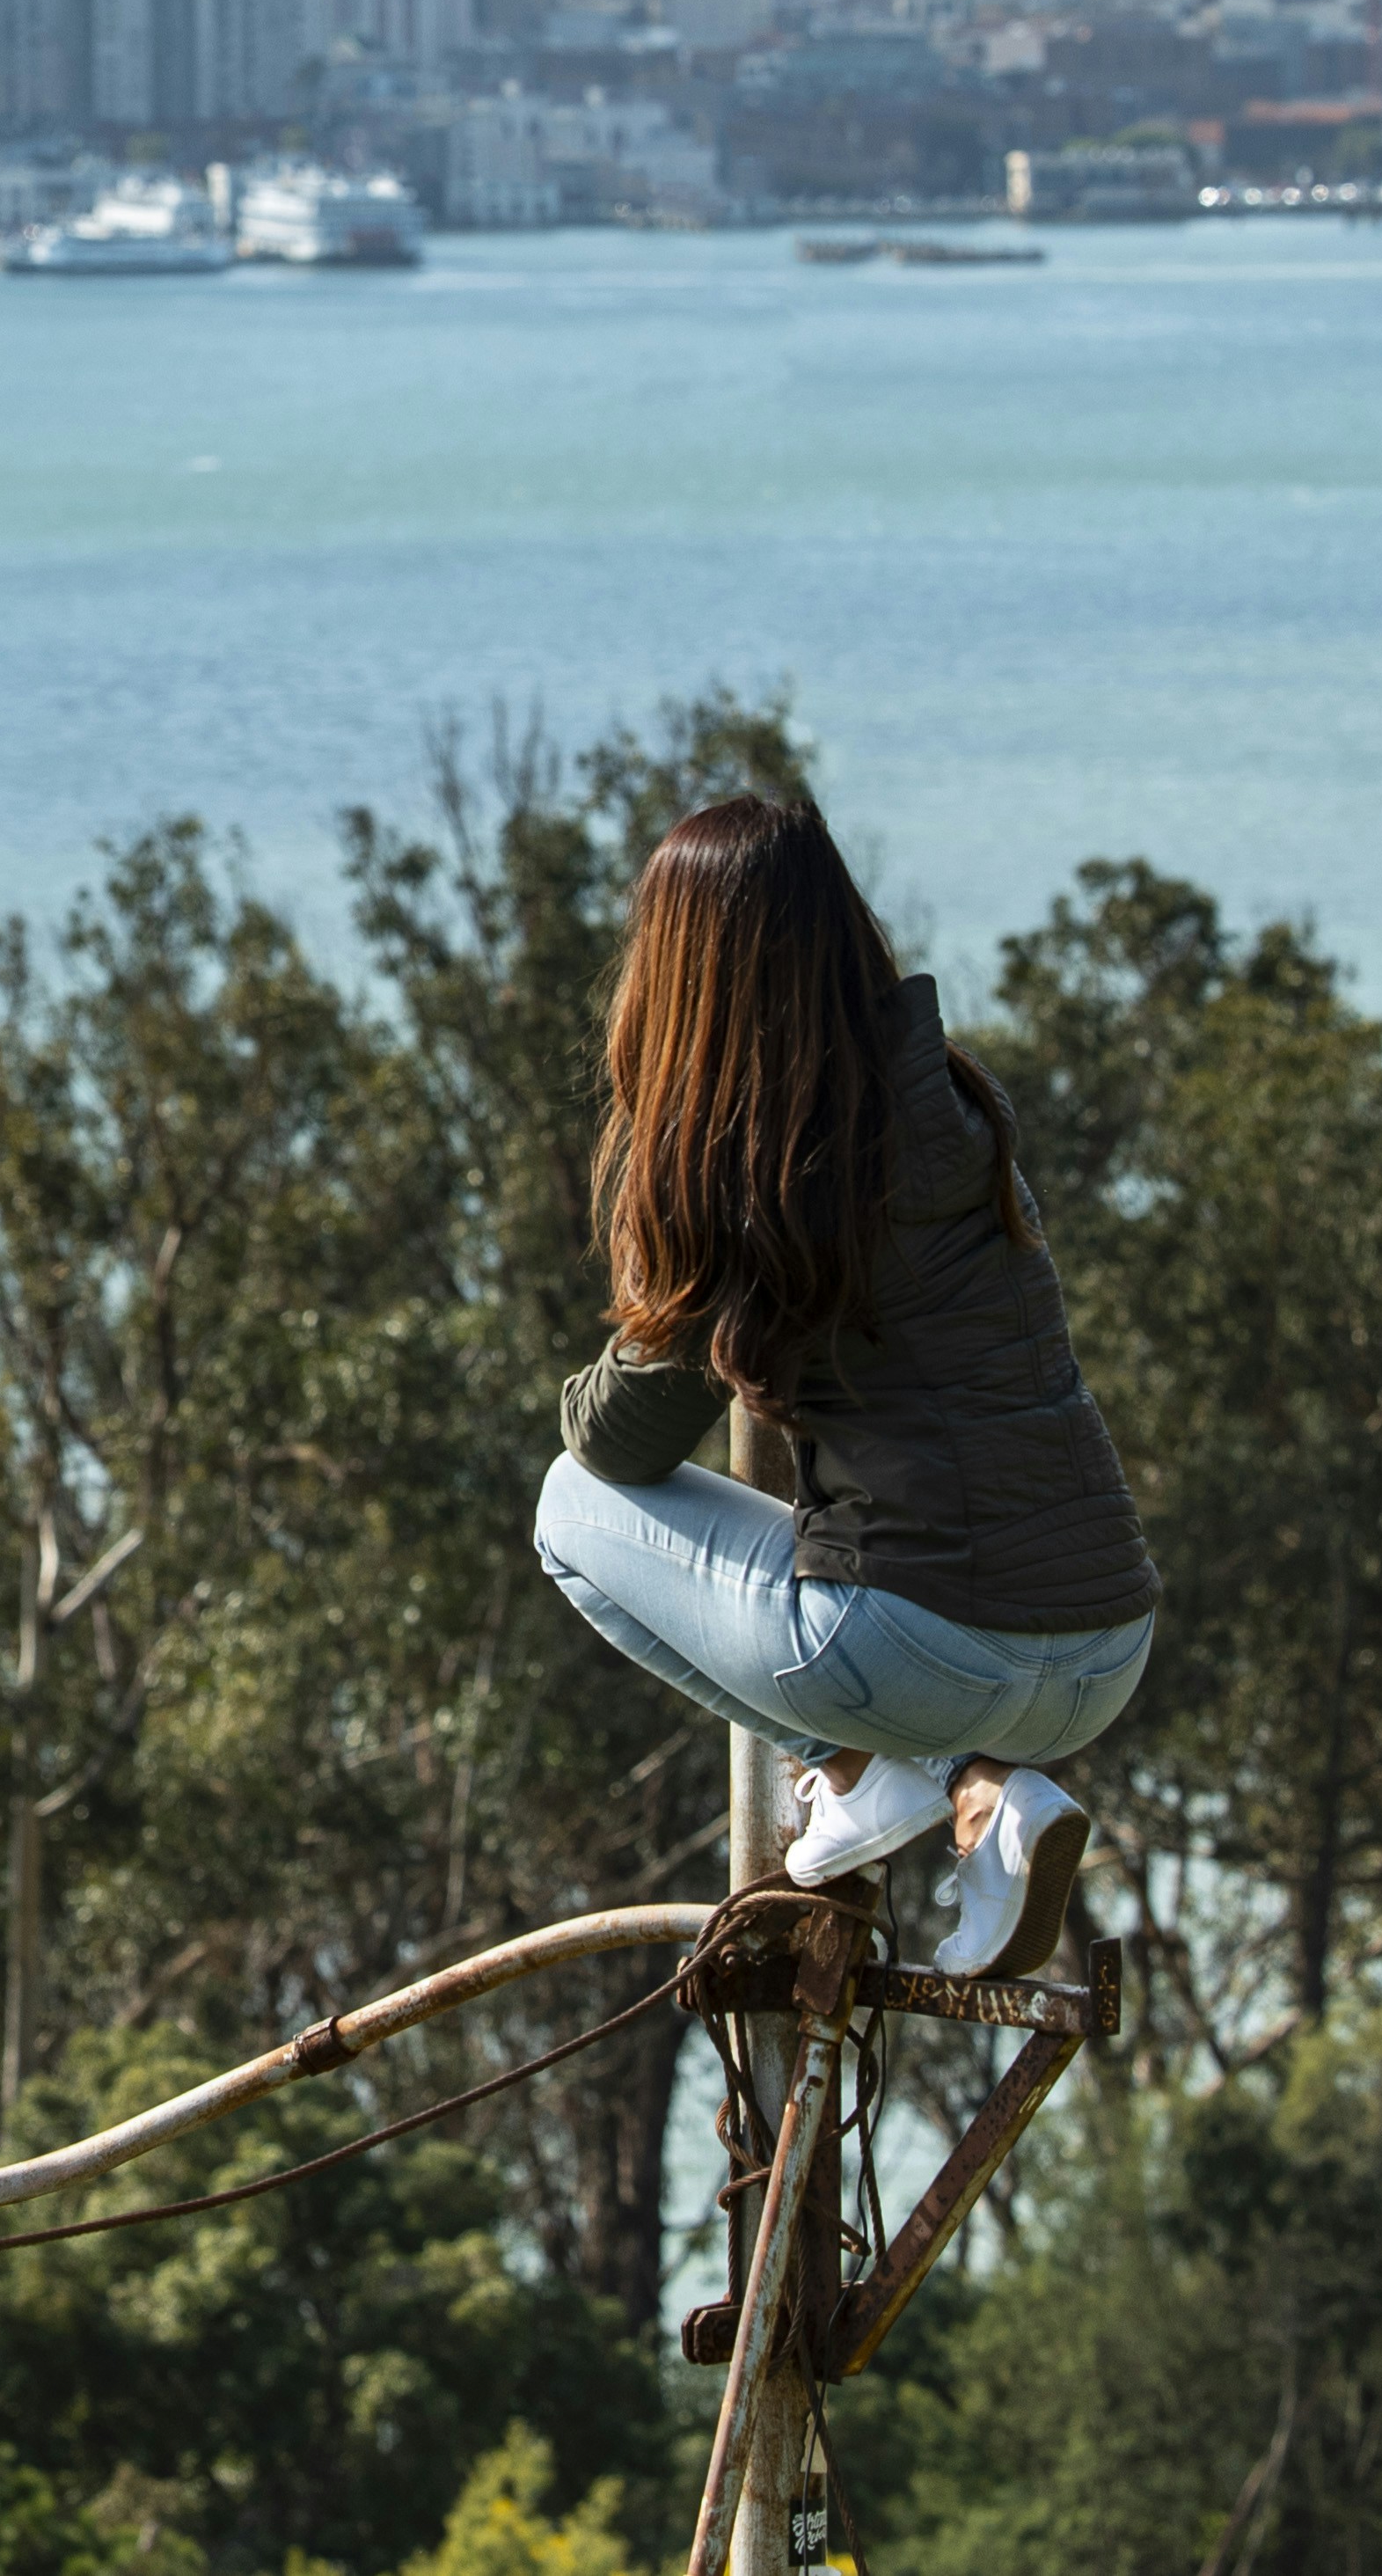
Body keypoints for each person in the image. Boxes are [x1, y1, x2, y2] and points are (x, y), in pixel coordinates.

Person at [533, 794, 1159, 1978]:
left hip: (921, 1651)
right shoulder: (960, 1106)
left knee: (567, 1507)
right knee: (898, 1582)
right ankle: (974, 1798)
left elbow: (621, 1445)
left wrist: (633, 1321)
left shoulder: (751, 1159)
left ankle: (871, 1768)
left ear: (681, 975)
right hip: (1104, 1648)